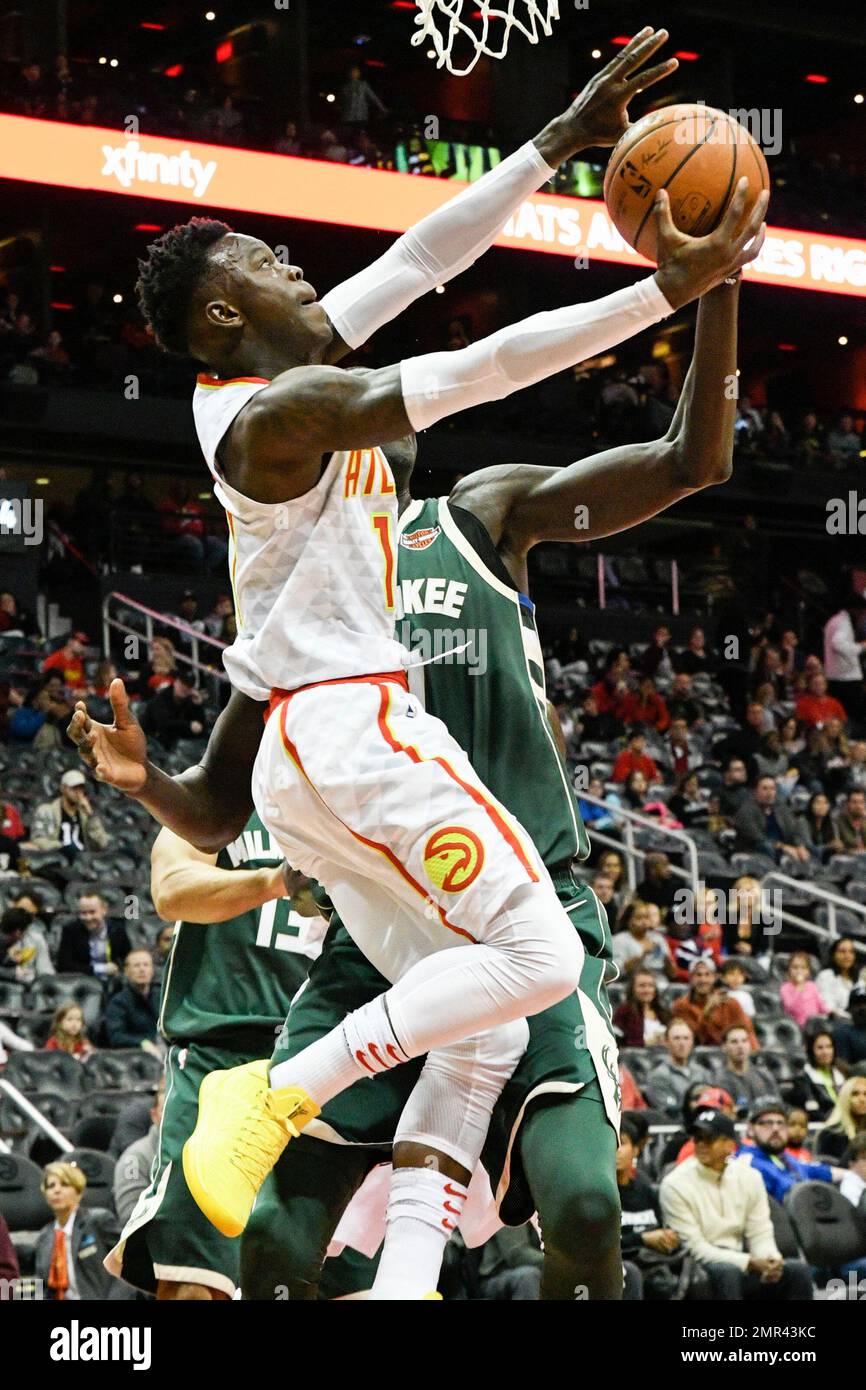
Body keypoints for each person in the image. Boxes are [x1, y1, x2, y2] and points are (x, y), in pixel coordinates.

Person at [88, 33, 764, 1293]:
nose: (297, 264)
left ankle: (403, 1284)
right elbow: (471, 370)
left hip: (304, 758)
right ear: (226, 314)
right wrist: (664, 292)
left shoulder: (269, 377)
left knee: (483, 1017)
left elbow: (421, 257)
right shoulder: (275, 419)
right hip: (357, 730)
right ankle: (277, 1093)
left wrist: (555, 142)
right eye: (266, 259)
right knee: (543, 959)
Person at [105, 817, 322, 1300]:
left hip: (329, 1057)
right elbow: (170, 889)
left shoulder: (356, 792)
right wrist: (276, 881)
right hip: (219, 1053)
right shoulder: (217, 791)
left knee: (345, 1275)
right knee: (196, 1272)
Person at [659, 1108, 814, 1301]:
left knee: (796, 1271)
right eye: (697, 1138)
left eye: (709, 1138)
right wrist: (749, 1262)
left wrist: (770, 1261)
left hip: (742, 1259)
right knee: (727, 1272)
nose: (700, 1144)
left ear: (729, 1145)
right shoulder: (675, 1184)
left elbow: (760, 1231)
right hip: (698, 1266)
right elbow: (694, 1247)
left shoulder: (749, 1177)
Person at [617, 1115, 680, 1300]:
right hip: (618, 1266)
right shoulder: (595, 1195)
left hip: (653, 1262)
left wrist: (668, 1238)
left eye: (622, 1143)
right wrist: (642, 1239)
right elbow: (595, 1245)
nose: (616, 1150)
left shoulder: (647, 1191)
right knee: (632, 1273)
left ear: (636, 1149)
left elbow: (659, 1229)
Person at [35, 1162, 117, 1300]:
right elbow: (41, 1287)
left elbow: (129, 1263)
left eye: (64, 1184)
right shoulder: (44, 1237)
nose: (57, 1190)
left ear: (78, 1192)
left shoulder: (98, 1220)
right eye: (51, 1186)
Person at [737, 1099, 844, 1201]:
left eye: (781, 1123)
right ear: (751, 1129)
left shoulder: (783, 1157)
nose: (776, 1129)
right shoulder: (746, 1164)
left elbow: (811, 1170)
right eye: (767, 1123)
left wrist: (851, 1175)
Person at [23, 767, 110, 858]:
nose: (78, 793)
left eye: (80, 789)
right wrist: (61, 847)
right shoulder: (46, 811)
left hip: (83, 862)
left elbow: (102, 844)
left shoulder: (85, 814)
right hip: (57, 857)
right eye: (73, 788)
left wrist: (90, 815)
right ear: (63, 789)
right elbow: (38, 839)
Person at [113, 1078, 166, 1227]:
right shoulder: (134, 1158)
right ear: (154, 1115)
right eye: (165, 1110)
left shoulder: (201, 1150)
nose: (172, 1116)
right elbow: (130, 1214)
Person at [673, 959, 758, 1048]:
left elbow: (747, 1032)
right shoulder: (681, 1006)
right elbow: (695, 1040)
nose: (703, 980)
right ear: (690, 978)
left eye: (707, 975)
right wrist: (707, 1011)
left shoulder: (730, 1002)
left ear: (714, 977)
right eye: (698, 975)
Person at [733, 774, 810, 862]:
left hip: (783, 849)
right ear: (755, 791)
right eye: (765, 789)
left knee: (809, 850)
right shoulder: (746, 811)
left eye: (772, 788)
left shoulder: (781, 807)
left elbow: (794, 831)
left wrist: (800, 846)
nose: (769, 793)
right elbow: (758, 837)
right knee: (766, 846)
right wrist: (783, 847)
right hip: (755, 851)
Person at [57, 892, 131, 979]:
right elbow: (64, 965)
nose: (88, 918)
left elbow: (129, 958)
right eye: (83, 913)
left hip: (112, 980)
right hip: (83, 981)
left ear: (104, 910)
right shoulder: (71, 931)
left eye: (92, 912)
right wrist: (101, 969)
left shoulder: (117, 929)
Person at [103, 949, 161, 1052]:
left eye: (146, 965)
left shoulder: (161, 996)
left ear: (152, 970)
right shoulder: (118, 1002)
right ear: (126, 971)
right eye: (136, 965)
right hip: (137, 1055)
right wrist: (142, 1042)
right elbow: (116, 1036)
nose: (142, 969)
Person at [644, 1020, 705, 1118]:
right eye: (676, 1038)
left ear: (692, 1041)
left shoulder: (702, 1072)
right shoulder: (658, 1076)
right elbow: (667, 1111)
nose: (682, 1043)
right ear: (666, 1042)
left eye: (686, 1038)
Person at [717, 1024, 778, 1117]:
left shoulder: (764, 1075)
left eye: (744, 1041)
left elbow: (777, 1105)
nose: (740, 1046)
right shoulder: (719, 1080)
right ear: (724, 1047)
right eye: (734, 1042)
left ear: (750, 1045)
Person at [789, 1028, 846, 1121]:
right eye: (820, 1048)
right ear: (811, 1051)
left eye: (829, 1047)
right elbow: (812, 1112)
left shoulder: (841, 1072)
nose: (825, 1052)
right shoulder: (802, 1079)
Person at [140, 675, 207, 750]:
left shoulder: (189, 700)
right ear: (175, 682)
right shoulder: (161, 698)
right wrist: (188, 725)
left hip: (177, 741)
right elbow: (164, 723)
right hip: (154, 739)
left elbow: (201, 727)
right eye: (182, 683)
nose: (184, 688)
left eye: (188, 686)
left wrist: (198, 705)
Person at [612, 899, 675, 978]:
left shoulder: (658, 939)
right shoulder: (619, 940)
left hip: (659, 981)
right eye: (639, 918)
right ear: (628, 921)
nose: (644, 922)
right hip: (629, 983)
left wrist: (668, 962)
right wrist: (643, 954)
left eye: (646, 917)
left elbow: (673, 974)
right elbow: (616, 972)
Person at [612, 968, 670, 1047]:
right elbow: (620, 1042)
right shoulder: (624, 1011)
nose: (647, 990)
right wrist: (647, 1042)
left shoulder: (662, 1012)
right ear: (633, 989)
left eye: (651, 986)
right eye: (642, 986)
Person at [816, 1075, 866, 1162]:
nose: (862, 1099)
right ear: (845, 1098)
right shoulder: (829, 1134)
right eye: (855, 1094)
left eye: (865, 1094)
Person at [0, 905, 54, 981]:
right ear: (17, 933)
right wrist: (13, 973)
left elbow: (45, 970)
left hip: (30, 986)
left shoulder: (35, 939)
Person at [816, 938, 864, 1019]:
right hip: (833, 1023)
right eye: (842, 951)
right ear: (833, 955)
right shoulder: (825, 976)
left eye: (851, 952)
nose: (847, 955)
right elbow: (828, 1008)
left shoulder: (858, 978)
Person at [780, 951, 828, 1029]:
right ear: (789, 970)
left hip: (814, 1026)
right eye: (795, 967)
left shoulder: (812, 986)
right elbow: (790, 1006)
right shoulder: (785, 988)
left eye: (803, 968)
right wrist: (799, 988)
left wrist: (829, 1013)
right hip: (795, 1027)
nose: (799, 971)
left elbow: (821, 1005)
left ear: (808, 971)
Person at [800, 791, 843, 861]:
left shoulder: (831, 822)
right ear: (811, 805)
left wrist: (839, 846)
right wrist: (828, 846)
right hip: (809, 858)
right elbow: (808, 847)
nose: (822, 806)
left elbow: (836, 840)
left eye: (825, 803)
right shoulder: (803, 821)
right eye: (818, 803)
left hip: (828, 858)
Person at [834, 984, 866, 1066]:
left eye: (865, 1003)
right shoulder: (843, 1033)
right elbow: (841, 1065)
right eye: (858, 1004)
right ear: (850, 1009)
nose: (863, 1008)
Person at [718, 756, 750, 821]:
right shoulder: (718, 794)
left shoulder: (744, 791)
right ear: (726, 773)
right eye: (738, 770)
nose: (743, 772)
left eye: (743, 769)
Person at [837, 789, 866, 854]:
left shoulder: (864, 821)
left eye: (861, 802)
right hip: (849, 860)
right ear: (848, 803)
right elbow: (838, 848)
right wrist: (850, 852)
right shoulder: (838, 822)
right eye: (854, 802)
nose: (858, 806)